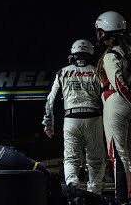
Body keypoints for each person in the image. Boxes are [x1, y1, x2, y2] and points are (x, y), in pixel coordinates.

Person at [94, 11, 131, 205]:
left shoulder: (110, 55)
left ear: (105, 32)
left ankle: (122, 200)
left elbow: (118, 83)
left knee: (118, 154)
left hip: (116, 103)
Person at [43, 39, 109, 196]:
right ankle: (95, 192)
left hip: (71, 119)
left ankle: (72, 189)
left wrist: (48, 123)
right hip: (94, 117)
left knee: (71, 158)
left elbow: (50, 99)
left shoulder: (62, 72)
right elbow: (107, 97)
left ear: (73, 55)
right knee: (96, 159)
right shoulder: (98, 71)